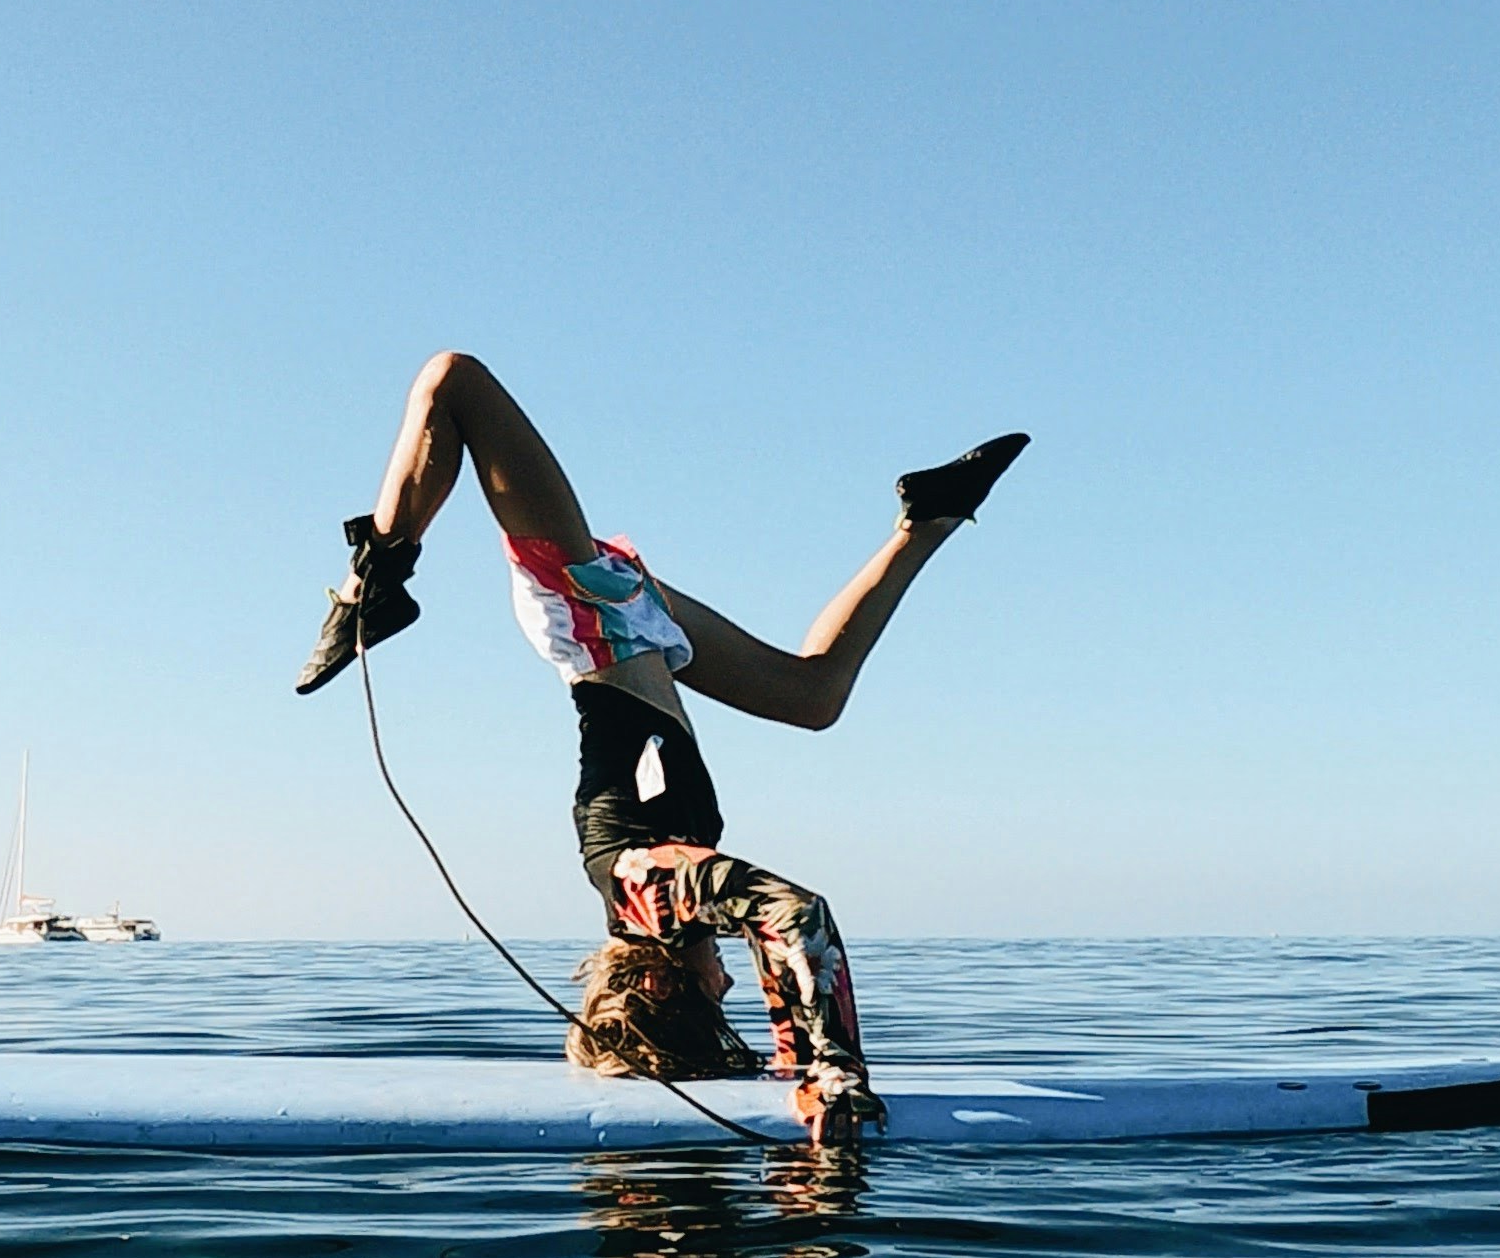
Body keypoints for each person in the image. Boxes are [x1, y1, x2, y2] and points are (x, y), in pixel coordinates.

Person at [297, 352, 1022, 1142]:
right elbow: (765, 934)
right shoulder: (662, 903)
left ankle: (372, 584)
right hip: (635, 619)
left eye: (713, 996)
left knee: (453, 382)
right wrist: (792, 1061)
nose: (726, 988)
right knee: (813, 696)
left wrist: (834, 1067)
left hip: (586, 608)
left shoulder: (642, 893)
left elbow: (791, 912)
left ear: (660, 983)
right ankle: (931, 519)